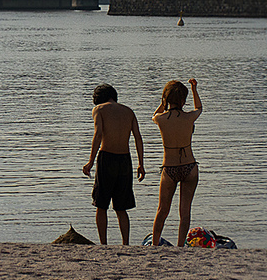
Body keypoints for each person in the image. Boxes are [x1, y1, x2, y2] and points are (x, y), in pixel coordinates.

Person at [82, 84, 146, 245]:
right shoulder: (128, 111)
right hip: (125, 160)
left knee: (101, 205)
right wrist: (141, 164)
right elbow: (138, 138)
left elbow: (98, 135)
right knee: (121, 207)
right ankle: (126, 243)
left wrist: (90, 161)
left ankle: (103, 244)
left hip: (107, 159)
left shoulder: (99, 110)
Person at [151, 78, 203, 247]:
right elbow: (199, 108)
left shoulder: (161, 119)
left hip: (169, 168)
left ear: (166, 99)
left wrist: (162, 102)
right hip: (189, 167)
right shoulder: (189, 118)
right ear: (183, 100)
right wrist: (194, 89)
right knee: (185, 211)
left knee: (162, 211)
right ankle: (181, 246)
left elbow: (154, 115)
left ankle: (155, 244)